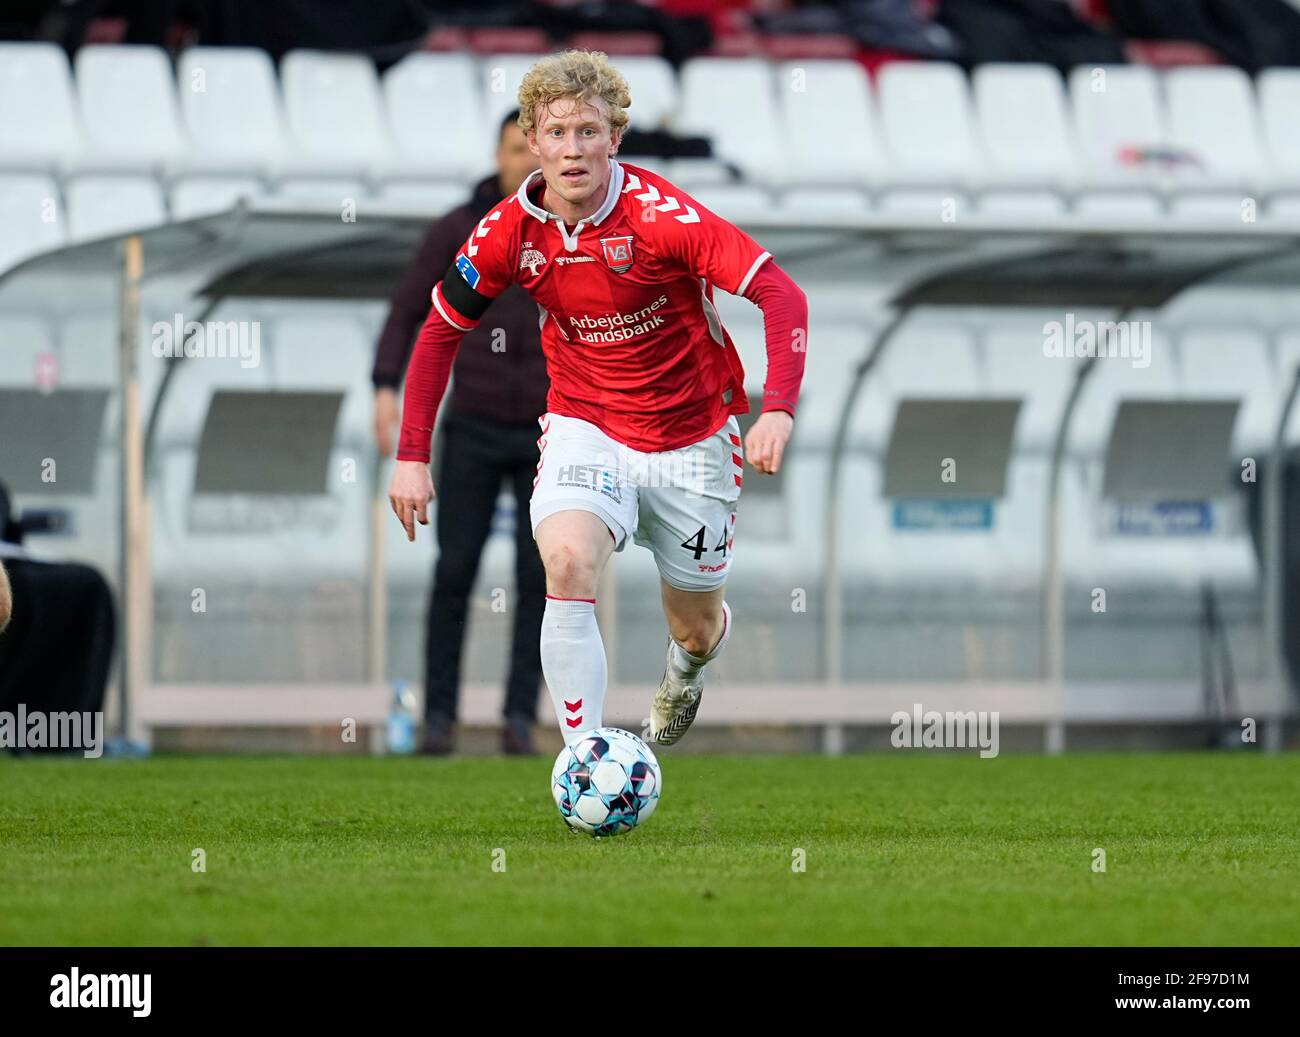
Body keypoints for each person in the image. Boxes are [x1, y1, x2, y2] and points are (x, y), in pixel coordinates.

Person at [388, 50, 808, 748]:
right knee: (567, 562)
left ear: (615, 137)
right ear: (532, 141)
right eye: (555, 133)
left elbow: (779, 292)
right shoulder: (506, 232)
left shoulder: (661, 217)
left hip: (692, 436)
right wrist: (410, 454)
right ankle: (586, 756)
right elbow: (437, 331)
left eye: (589, 131)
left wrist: (779, 409)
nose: (572, 149)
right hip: (587, 423)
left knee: (694, 626)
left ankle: (688, 667)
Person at [372, 108, 546, 756]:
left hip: (548, 430)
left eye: (534, 149)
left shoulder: (570, 229)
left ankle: (519, 717)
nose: (527, 161)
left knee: (545, 574)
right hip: (472, 422)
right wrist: (385, 383)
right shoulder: (457, 228)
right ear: (498, 154)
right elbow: (409, 309)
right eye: (515, 148)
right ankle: (439, 716)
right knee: (455, 570)